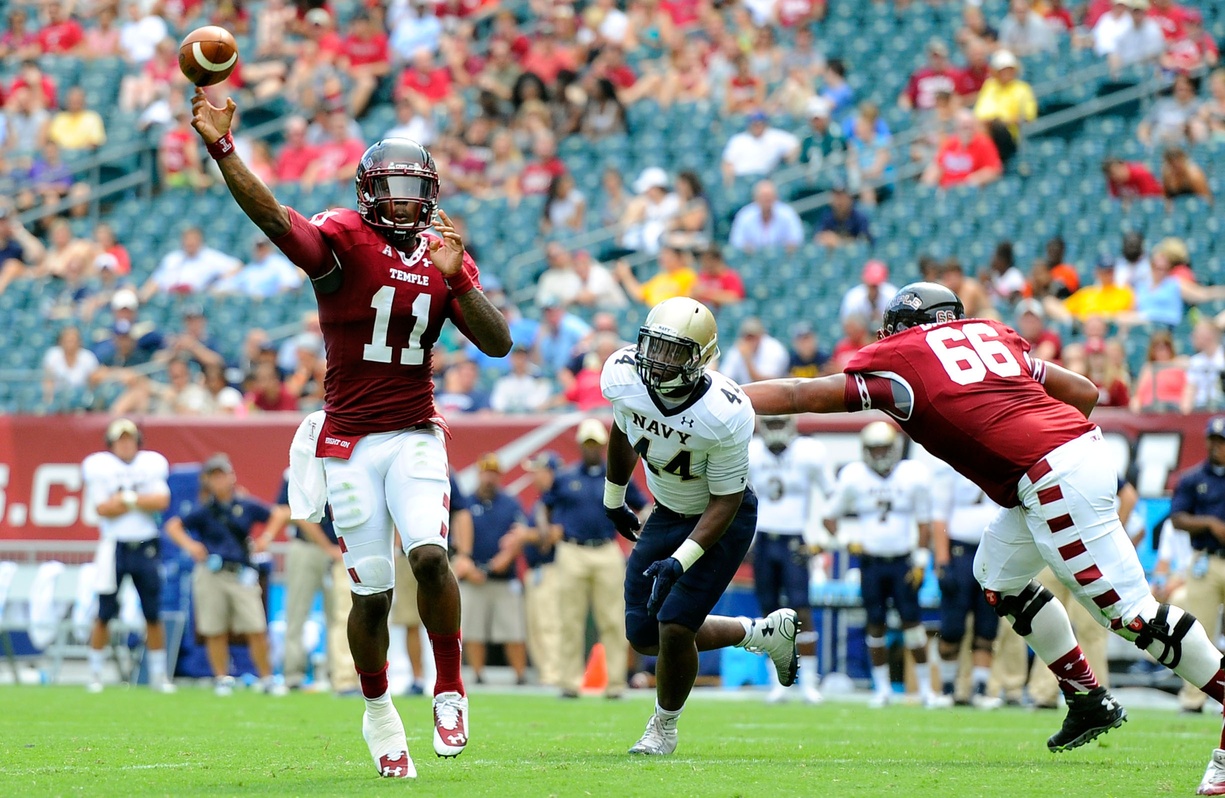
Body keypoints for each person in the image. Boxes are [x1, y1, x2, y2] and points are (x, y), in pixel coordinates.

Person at [742, 282, 1225, 793]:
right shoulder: (992, 335)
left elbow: (798, 395)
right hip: (1068, 457)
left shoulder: (903, 358)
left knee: (1131, 615)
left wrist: (725, 397)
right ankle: (1085, 695)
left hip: (1052, 474)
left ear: (905, 328)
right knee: (997, 576)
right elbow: (1084, 391)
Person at [190, 87, 511, 777]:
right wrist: (222, 149)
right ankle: (376, 708)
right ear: (368, 194)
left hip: (415, 431)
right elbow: (275, 218)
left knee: (429, 554)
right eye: (391, 189)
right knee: (371, 592)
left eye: (412, 190)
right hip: (348, 441)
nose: (402, 202)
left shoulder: (443, 254)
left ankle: (449, 686)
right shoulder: (340, 237)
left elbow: (499, 342)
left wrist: (460, 285)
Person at [600, 297, 800, 755]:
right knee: (644, 634)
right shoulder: (624, 376)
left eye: (674, 353)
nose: (657, 361)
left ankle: (662, 728)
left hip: (721, 519)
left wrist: (680, 559)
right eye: (654, 347)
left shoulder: (725, 411)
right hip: (667, 509)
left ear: (701, 358)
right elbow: (624, 428)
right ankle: (760, 634)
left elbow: (727, 498)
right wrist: (614, 500)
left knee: (674, 626)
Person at [825, 422, 936, 707]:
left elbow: (925, 522)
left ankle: (925, 690)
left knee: (913, 624)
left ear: (895, 448)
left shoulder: (912, 475)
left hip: (903, 561)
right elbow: (829, 516)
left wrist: (922, 560)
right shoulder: (854, 476)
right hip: (871, 562)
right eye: (873, 449)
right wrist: (848, 541)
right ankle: (882, 689)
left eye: (883, 448)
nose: (878, 454)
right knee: (875, 625)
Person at [164, 454, 285, 697]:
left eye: (223, 475)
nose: (220, 481)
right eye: (215, 476)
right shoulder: (204, 510)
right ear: (208, 481)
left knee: (256, 627)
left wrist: (267, 538)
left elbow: (280, 513)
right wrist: (191, 546)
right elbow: (173, 526)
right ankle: (222, 677)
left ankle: (267, 678)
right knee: (214, 628)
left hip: (241, 572)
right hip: (211, 572)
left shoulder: (246, 505)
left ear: (231, 477)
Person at [544, 419, 647, 699]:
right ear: (581, 445)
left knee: (613, 619)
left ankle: (615, 683)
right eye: (587, 443)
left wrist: (644, 530)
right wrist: (548, 530)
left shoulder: (615, 476)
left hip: (606, 548)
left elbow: (643, 504)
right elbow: (546, 504)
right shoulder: (565, 477)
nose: (591, 448)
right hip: (572, 549)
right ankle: (569, 682)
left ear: (603, 445)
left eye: (595, 443)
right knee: (569, 618)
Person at [80, 418, 173, 694]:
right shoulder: (100, 467)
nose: (125, 444)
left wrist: (126, 499)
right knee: (104, 612)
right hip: (114, 546)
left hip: (145, 544)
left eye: (129, 438)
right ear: (111, 443)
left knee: (153, 613)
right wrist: (136, 500)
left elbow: (160, 502)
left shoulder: (151, 464)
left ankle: (158, 675)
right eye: (120, 439)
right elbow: (103, 508)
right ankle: (95, 672)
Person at [749, 416, 832, 703]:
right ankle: (777, 682)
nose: (775, 429)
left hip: (795, 540)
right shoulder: (751, 451)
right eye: (770, 423)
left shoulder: (809, 452)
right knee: (769, 613)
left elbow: (830, 495)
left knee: (801, 611)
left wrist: (824, 538)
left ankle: (809, 681)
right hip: (762, 538)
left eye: (779, 422)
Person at [262, 472, 357, 694]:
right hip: (306, 548)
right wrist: (327, 547)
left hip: (339, 551)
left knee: (340, 616)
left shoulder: (341, 468)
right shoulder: (296, 471)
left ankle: (340, 675)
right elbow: (292, 512)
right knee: (297, 613)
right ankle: (293, 675)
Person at [392, 472, 472, 696]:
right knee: (410, 618)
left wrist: (464, 554)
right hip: (406, 552)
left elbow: (461, 512)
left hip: (440, 551)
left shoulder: (442, 468)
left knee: (448, 616)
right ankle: (417, 678)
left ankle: (449, 678)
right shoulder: (395, 463)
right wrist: (394, 548)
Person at [452, 454, 529, 685]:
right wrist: (466, 566)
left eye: (493, 473)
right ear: (479, 474)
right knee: (473, 631)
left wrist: (506, 557)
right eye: (486, 472)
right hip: (473, 575)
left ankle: (520, 675)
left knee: (513, 631)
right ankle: (477, 674)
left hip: (503, 578)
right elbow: (455, 535)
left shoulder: (510, 503)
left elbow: (519, 534)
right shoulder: (466, 503)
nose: (489, 477)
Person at [930, 466, 1004, 708]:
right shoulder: (951, 467)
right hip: (960, 553)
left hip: (993, 551)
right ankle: (947, 688)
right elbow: (939, 514)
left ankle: (981, 690)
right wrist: (942, 562)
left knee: (987, 627)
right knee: (952, 628)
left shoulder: (999, 460)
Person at [1170, 417, 1225, 715]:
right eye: (1212, 440)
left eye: (1222, 441)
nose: (1216, 447)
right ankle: (1193, 697)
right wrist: (1209, 524)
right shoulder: (1193, 478)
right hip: (1207, 558)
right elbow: (1177, 517)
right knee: (1197, 632)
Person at [518, 451, 564, 688]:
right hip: (536, 571)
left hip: (552, 568)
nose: (534, 476)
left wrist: (526, 535)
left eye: (538, 470)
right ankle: (545, 671)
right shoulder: (541, 500)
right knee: (536, 626)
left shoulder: (560, 499)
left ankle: (553, 673)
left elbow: (559, 533)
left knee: (550, 622)